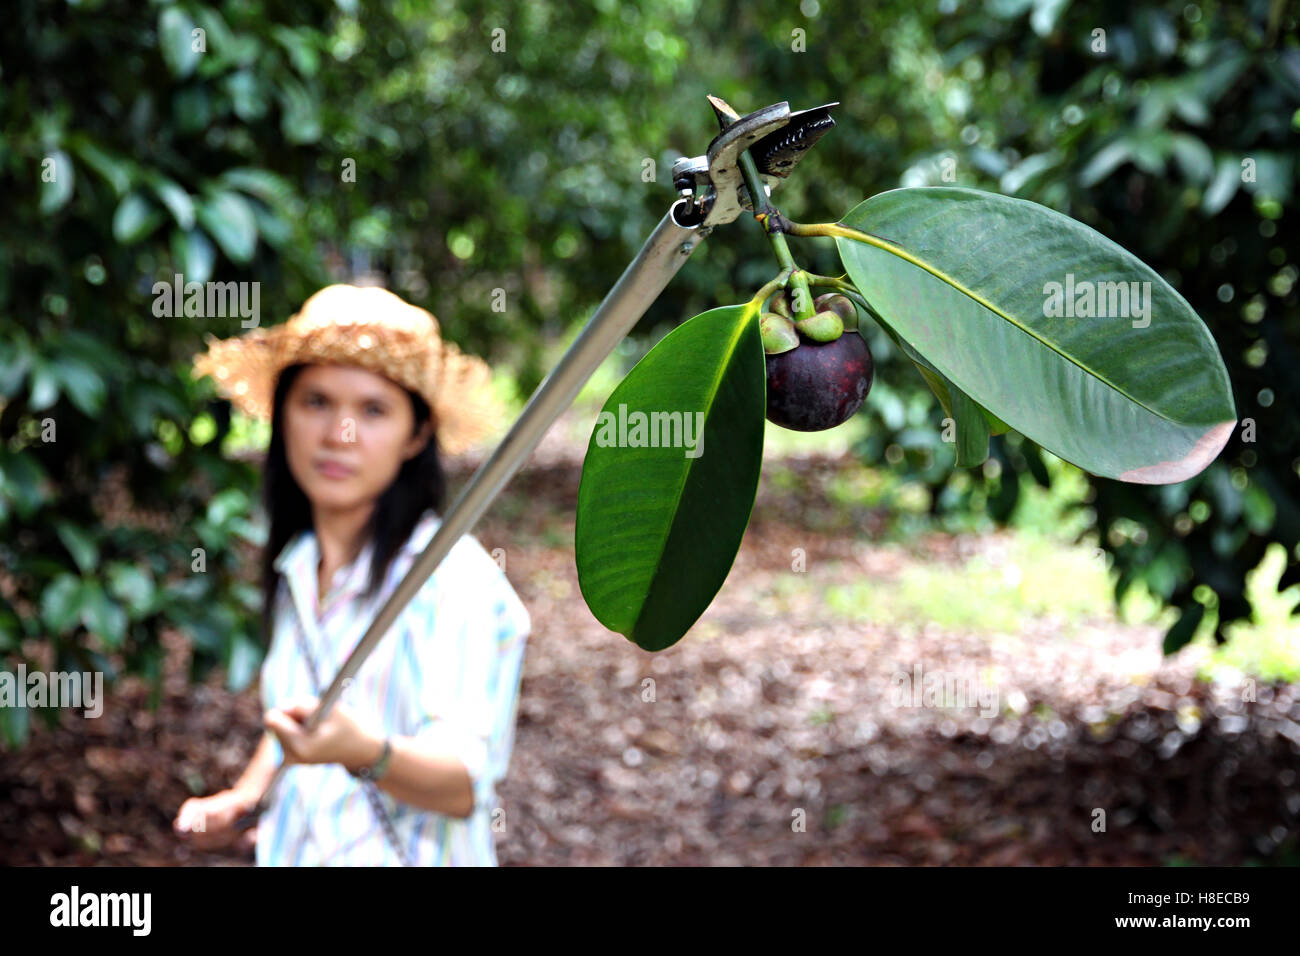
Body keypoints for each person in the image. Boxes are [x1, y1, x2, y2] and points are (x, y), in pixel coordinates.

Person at [173, 284, 530, 866]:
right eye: (315, 401)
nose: (339, 434)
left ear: (416, 434)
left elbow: (467, 784)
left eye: (373, 410)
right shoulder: (298, 563)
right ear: (282, 413)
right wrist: (246, 796)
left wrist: (365, 751)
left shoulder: (456, 581)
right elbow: (301, 713)